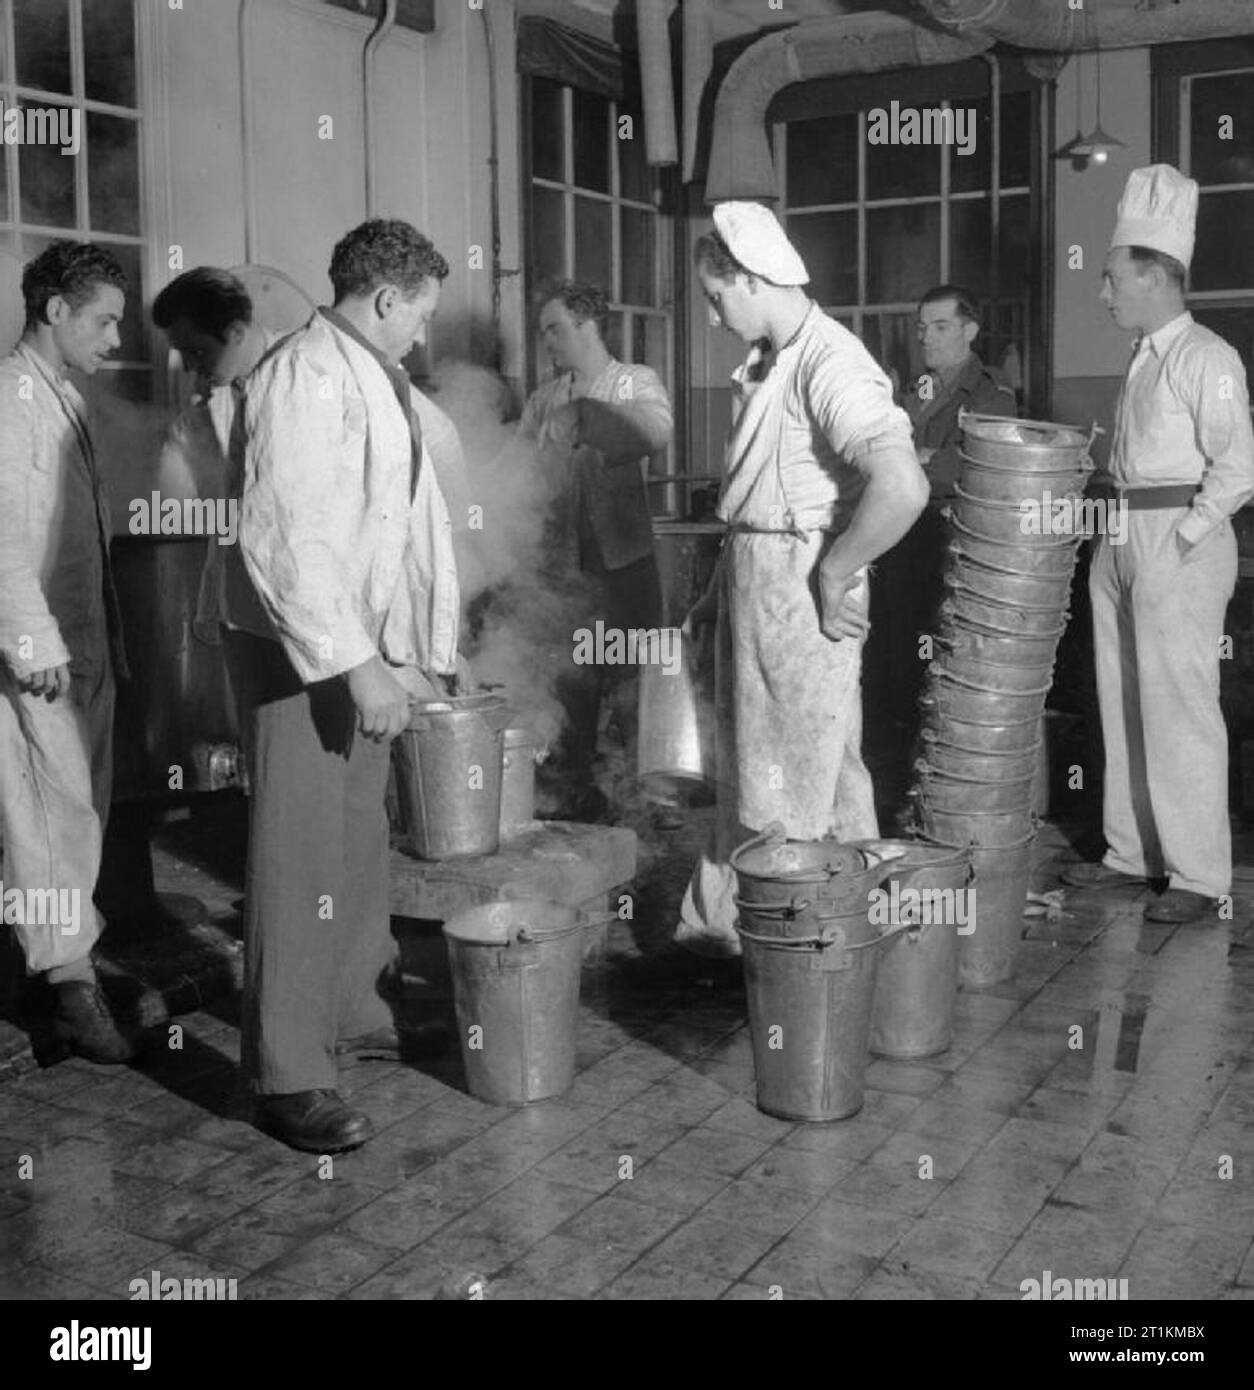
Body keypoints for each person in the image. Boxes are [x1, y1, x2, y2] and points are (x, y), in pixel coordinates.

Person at [235, 219, 462, 1151]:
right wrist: (357, 662)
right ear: (383, 299)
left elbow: (399, 531)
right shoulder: (302, 373)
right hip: (298, 649)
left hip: (356, 645)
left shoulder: (379, 374)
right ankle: (287, 1076)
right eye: (420, 314)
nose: (424, 332)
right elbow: (285, 537)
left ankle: (357, 1015)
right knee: (297, 854)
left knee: (357, 840)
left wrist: (412, 650)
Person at [677, 203, 929, 956]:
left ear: (751, 278)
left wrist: (837, 570)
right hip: (758, 573)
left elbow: (904, 485)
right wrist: (714, 595)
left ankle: (811, 947)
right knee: (766, 771)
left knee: (798, 779)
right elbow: (757, 497)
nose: (715, 315)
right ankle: (736, 931)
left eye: (717, 297)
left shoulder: (830, 360)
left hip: (798, 582)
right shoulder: (771, 357)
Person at [1061, 165, 1254, 924]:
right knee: (1122, 700)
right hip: (1123, 532)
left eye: (1113, 279)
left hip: (1178, 537)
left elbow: (1240, 467)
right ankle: (1131, 853)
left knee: (1179, 707)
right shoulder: (1143, 359)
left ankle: (1201, 877)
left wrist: (1185, 537)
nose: (1103, 293)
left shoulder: (1208, 358)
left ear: (1156, 276)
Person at [0, 242, 135, 1062]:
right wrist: (34, 640)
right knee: (53, 814)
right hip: (42, 648)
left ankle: (52, 974)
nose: (117, 340)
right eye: (105, 320)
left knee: (68, 811)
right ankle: (71, 991)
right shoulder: (13, 401)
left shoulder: (58, 396)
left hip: (77, 641)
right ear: (55, 311)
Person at [519, 280, 673, 818]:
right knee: (571, 689)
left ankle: (647, 801)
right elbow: (517, 476)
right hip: (566, 575)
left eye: (555, 330)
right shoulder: (543, 399)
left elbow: (654, 432)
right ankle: (575, 799)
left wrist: (586, 415)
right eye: (543, 334)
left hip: (625, 569)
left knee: (634, 686)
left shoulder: (634, 383)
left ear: (588, 325)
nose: (548, 344)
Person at [869, 286, 1019, 731]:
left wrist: (917, 459)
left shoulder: (992, 393)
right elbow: (880, 455)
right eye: (921, 328)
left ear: (970, 330)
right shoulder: (916, 391)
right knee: (892, 664)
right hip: (897, 542)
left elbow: (968, 466)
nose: (926, 338)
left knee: (940, 662)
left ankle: (935, 779)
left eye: (940, 327)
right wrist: (924, 456)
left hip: (950, 549)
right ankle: (896, 779)